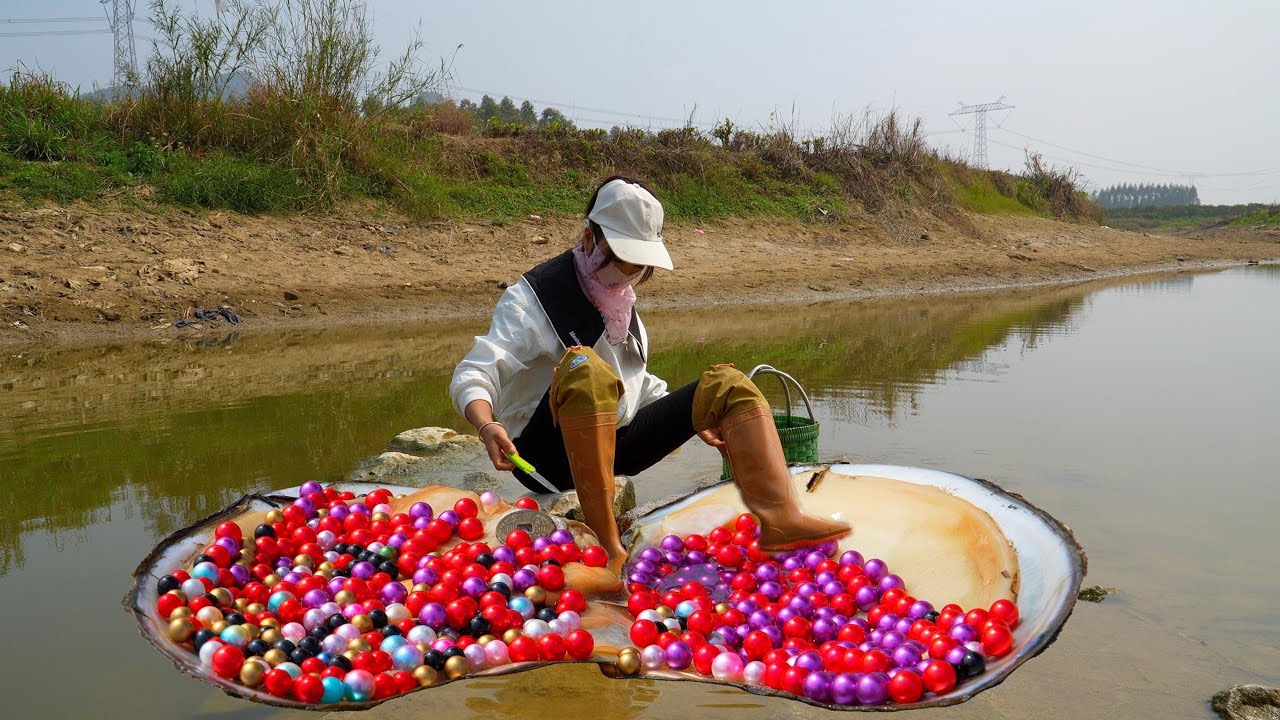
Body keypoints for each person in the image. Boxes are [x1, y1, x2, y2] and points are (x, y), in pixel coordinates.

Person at [450, 175, 849, 574]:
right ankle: (608, 548)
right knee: (584, 368)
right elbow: (477, 370)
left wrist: (695, 418)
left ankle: (782, 518)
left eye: (641, 262)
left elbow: (638, 383)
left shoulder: (621, 305)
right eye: (624, 256)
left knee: (727, 386)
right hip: (547, 458)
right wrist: (486, 425)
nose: (632, 270)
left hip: (618, 446)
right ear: (590, 237)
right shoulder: (533, 298)